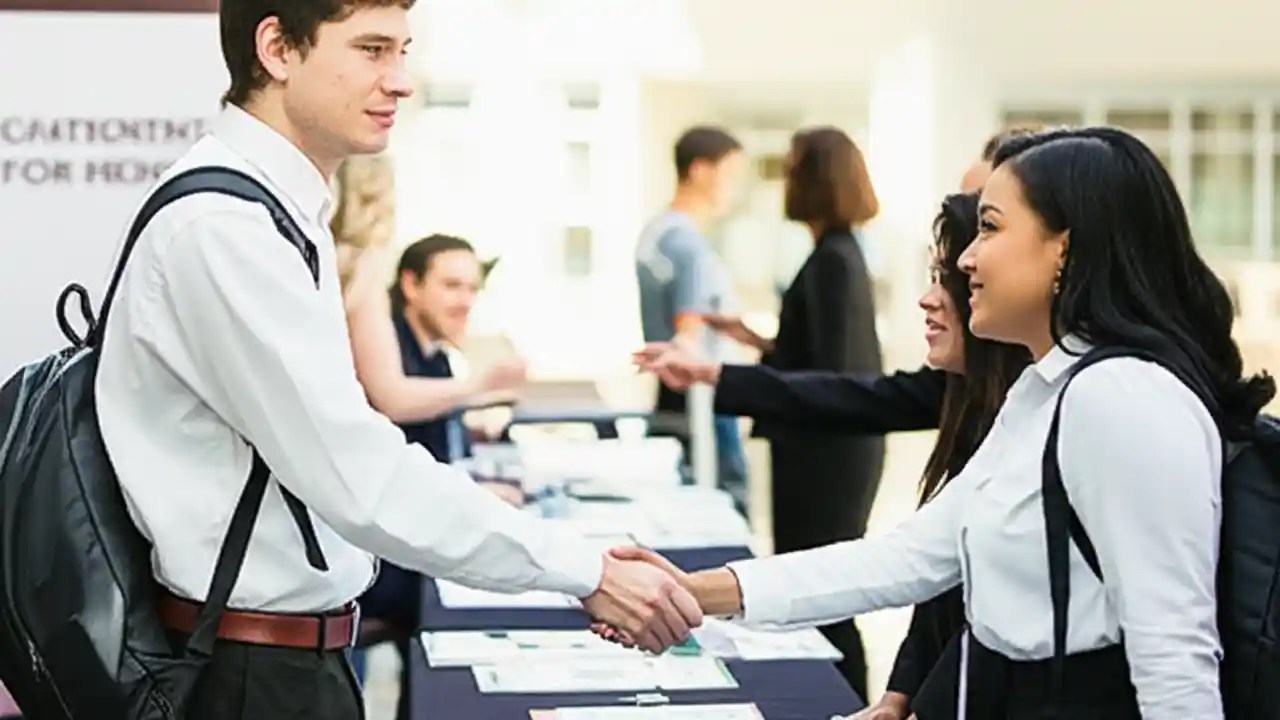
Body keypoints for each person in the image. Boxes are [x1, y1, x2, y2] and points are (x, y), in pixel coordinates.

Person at [93, 2, 701, 717]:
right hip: (246, 669)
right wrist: (582, 569)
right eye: (374, 49)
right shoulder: (227, 227)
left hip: (273, 654)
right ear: (277, 49)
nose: (402, 81)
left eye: (404, 51)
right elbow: (357, 473)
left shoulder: (273, 210)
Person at [612, 126, 1276, 718]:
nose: (964, 261)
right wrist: (689, 589)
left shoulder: (1122, 396)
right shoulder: (1046, 391)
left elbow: (1175, 659)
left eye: (988, 227)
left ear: (1064, 250)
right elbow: (907, 557)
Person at [696, 126, 883, 697]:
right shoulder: (835, 253)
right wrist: (757, 341)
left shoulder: (834, 259)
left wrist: (729, 376)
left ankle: (844, 702)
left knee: (820, 594)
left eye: (795, 168)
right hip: (827, 444)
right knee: (816, 591)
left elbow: (826, 376)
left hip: (824, 454)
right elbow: (816, 357)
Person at [332, 155, 528, 427]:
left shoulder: (438, 360)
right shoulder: (359, 269)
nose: (465, 301)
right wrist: (483, 386)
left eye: (473, 289)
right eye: (451, 286)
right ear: (411, 284)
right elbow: (393, 399)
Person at [635, 125, 750, 512]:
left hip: (673, 392)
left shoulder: (657, 233)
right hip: (704, 394)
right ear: (700, 170)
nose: (735, 189)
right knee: (722, 506)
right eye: (730, 175)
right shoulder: (688, 243)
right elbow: (689, 330)